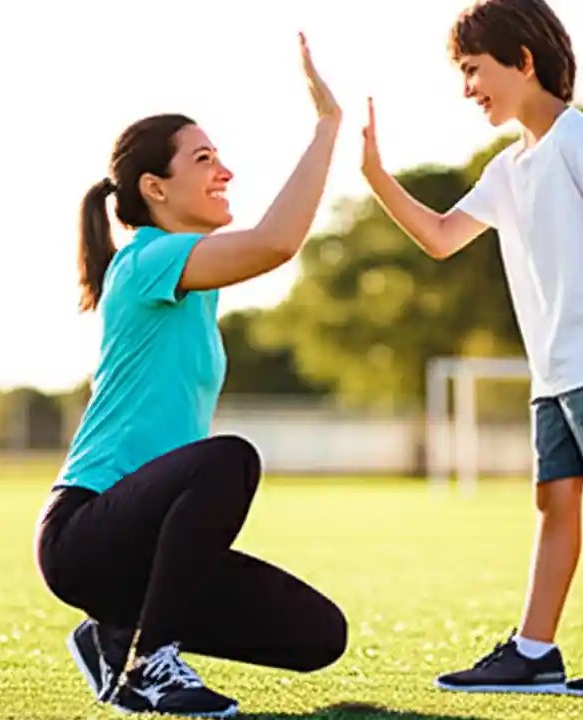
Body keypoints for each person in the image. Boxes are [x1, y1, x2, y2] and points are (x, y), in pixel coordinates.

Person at [359, 0, 583, 701]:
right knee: (554, 503)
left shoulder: (581, 138)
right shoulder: (508, 168)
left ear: (524, 60)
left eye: (474, 70)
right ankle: (534, 650)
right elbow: (442, 237)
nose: (467, 88)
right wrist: (376, 177)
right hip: (554, 371)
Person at [32, 33, 347, 719]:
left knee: (320, 635)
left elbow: (262, 247)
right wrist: (327, 127)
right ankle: (148, 664)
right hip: (85, 533)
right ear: (155, 188)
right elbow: (275, 243)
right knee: (227, 460)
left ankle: (115, 635)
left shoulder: (193, 279)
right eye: (204, 159)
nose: (225, 171)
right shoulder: (145, 261)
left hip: (138, 554)